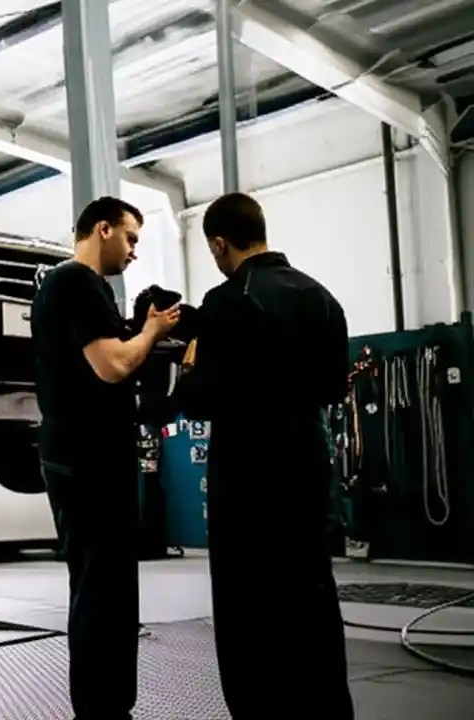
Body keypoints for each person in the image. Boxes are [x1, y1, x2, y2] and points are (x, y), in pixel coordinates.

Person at [174, 192, 354, 719]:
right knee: (311, 594)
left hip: (246, 476)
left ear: (219, 243)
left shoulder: (227, 302)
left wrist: (186, 367)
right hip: (305, 466)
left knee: (245, 606)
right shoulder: (322, 297)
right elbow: (332, 387)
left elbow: (200, 397)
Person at [31, 196, 181, 719]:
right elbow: (113, 366)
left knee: (102, 586)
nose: (135, 250)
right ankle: (104, 709)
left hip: (82, 454)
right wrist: (152, 332)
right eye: (132, 237)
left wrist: (139, 329)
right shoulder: (76, 282)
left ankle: (105, 706)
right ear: (103, 229)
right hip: (88, 460)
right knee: (104, 591)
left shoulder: (66, 287)